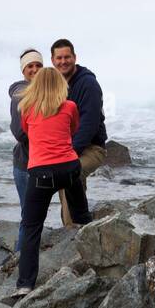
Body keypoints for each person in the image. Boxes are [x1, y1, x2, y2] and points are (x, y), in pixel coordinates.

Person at [14, 67, 92, 296]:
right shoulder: (69, 107)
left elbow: (27, 132)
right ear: (60, 85)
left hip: (40, 173)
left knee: (31, 228)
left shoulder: (27, 108)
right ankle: (92, 247)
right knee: (81, 215)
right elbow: (73, 129)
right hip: (68, 169)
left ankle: (25, 284)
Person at [51, 39, 107, 226]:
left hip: (91, 148)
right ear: (53, 60)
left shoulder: (88, 84)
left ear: (75, 57)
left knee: (70, 175)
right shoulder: (56, 84)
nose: (63, 61)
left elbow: (89, 124)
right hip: (67, 147)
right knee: (64, 182)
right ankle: (77, 229)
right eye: (59, 58)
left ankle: (72, 231)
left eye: (67, 57)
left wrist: (70, 154)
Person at [8, 48, 43, 252]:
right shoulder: (19, 95)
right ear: (23, 70)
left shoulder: (49, 90)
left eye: (38, 65)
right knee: (28, 214)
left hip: (44, 163)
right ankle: (22, 257)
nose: (34, 69)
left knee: (35, 214)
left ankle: (29, 253)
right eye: (30, 66)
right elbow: (19, 133)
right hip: (24, 164)